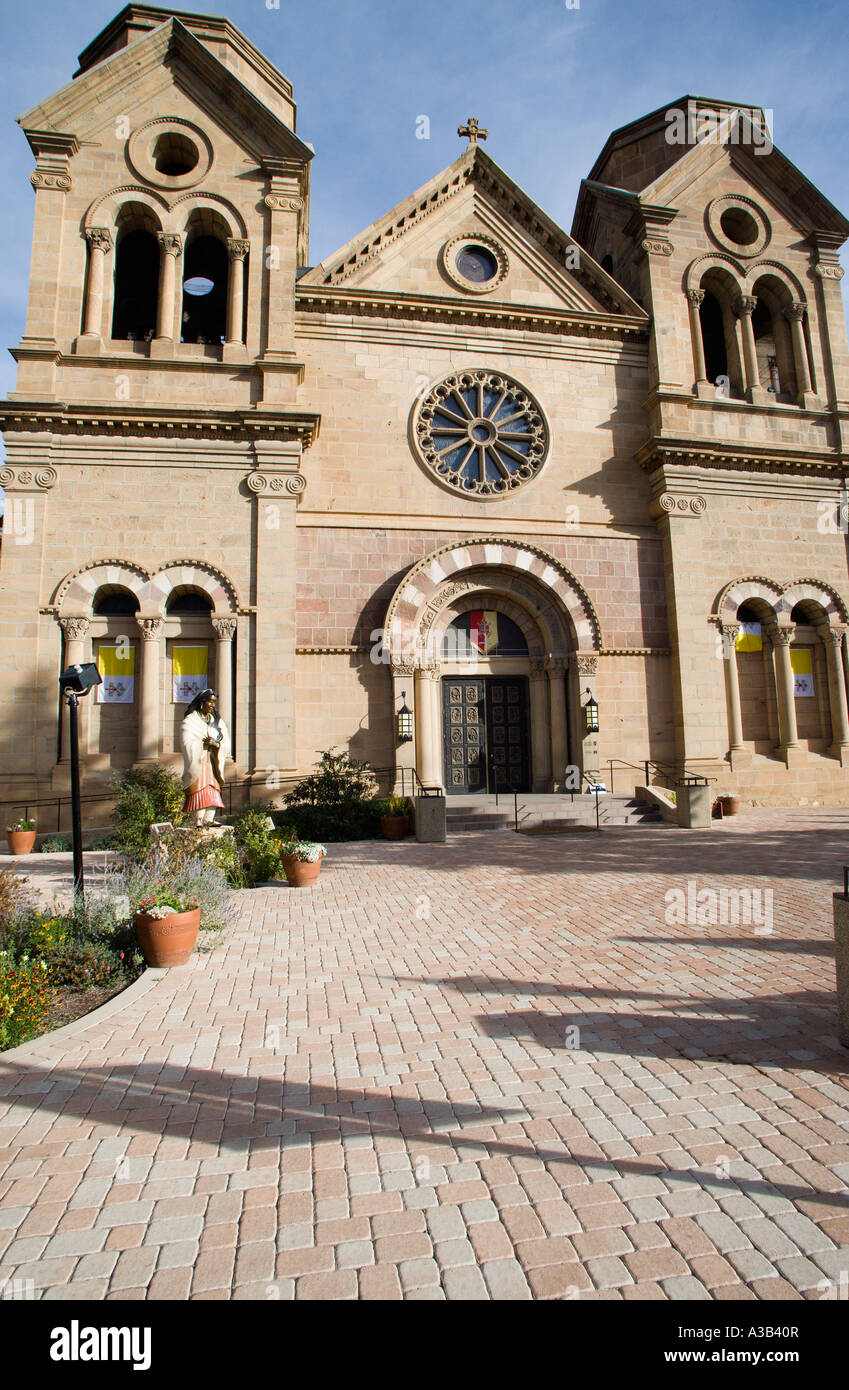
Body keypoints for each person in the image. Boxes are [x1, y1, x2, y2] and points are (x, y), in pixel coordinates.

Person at [180, 688, 230, 825]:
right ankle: (198, 820)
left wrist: (216, 744)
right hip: (199, 761)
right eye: (210, 702)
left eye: (214, 702)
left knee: (213, 789)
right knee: (199, 789)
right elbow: (186, 741)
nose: (212, 705)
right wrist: (202, 744)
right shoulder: (191, 720)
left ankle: (209, 819)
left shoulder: (217, 721)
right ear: (202, 702)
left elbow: (225, 740)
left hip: (213, 762)